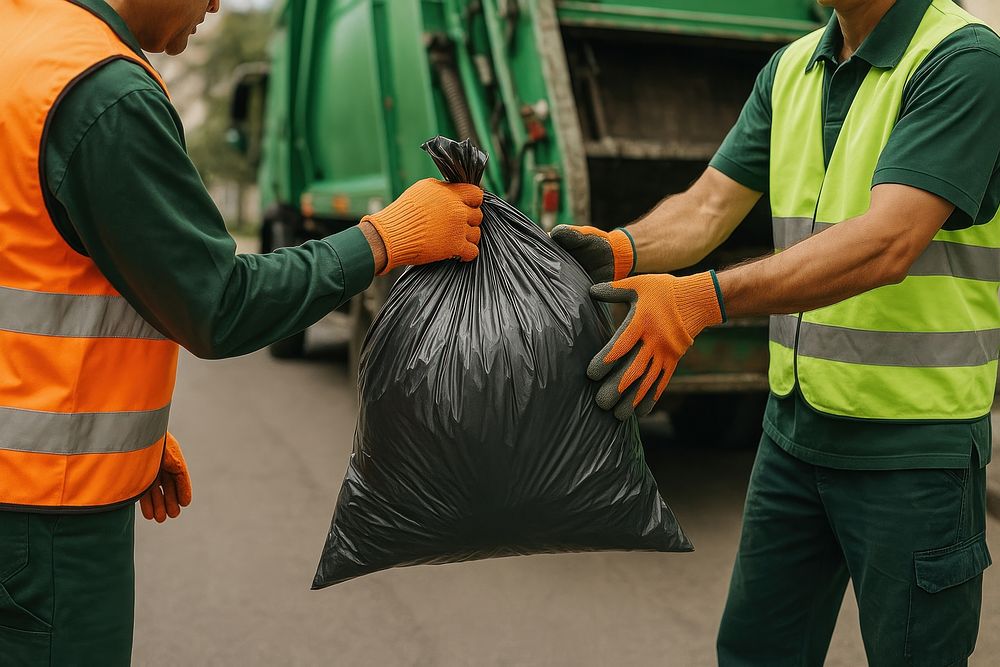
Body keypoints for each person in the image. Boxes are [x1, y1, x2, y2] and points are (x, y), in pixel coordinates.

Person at [0, 0, 483, 663]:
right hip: (40, 524)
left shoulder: (19, 42)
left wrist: (104, 420)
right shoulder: (100, 91)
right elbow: (220, 303)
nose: (216, 4)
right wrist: (385, 237)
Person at [553, 0, 998, 664]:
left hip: (912, 449)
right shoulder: (791, 67)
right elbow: (707, 207)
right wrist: (616, 248)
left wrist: (705, 297)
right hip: (793, 436)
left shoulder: (963, 62)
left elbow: (887, 242)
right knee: (755, 652)